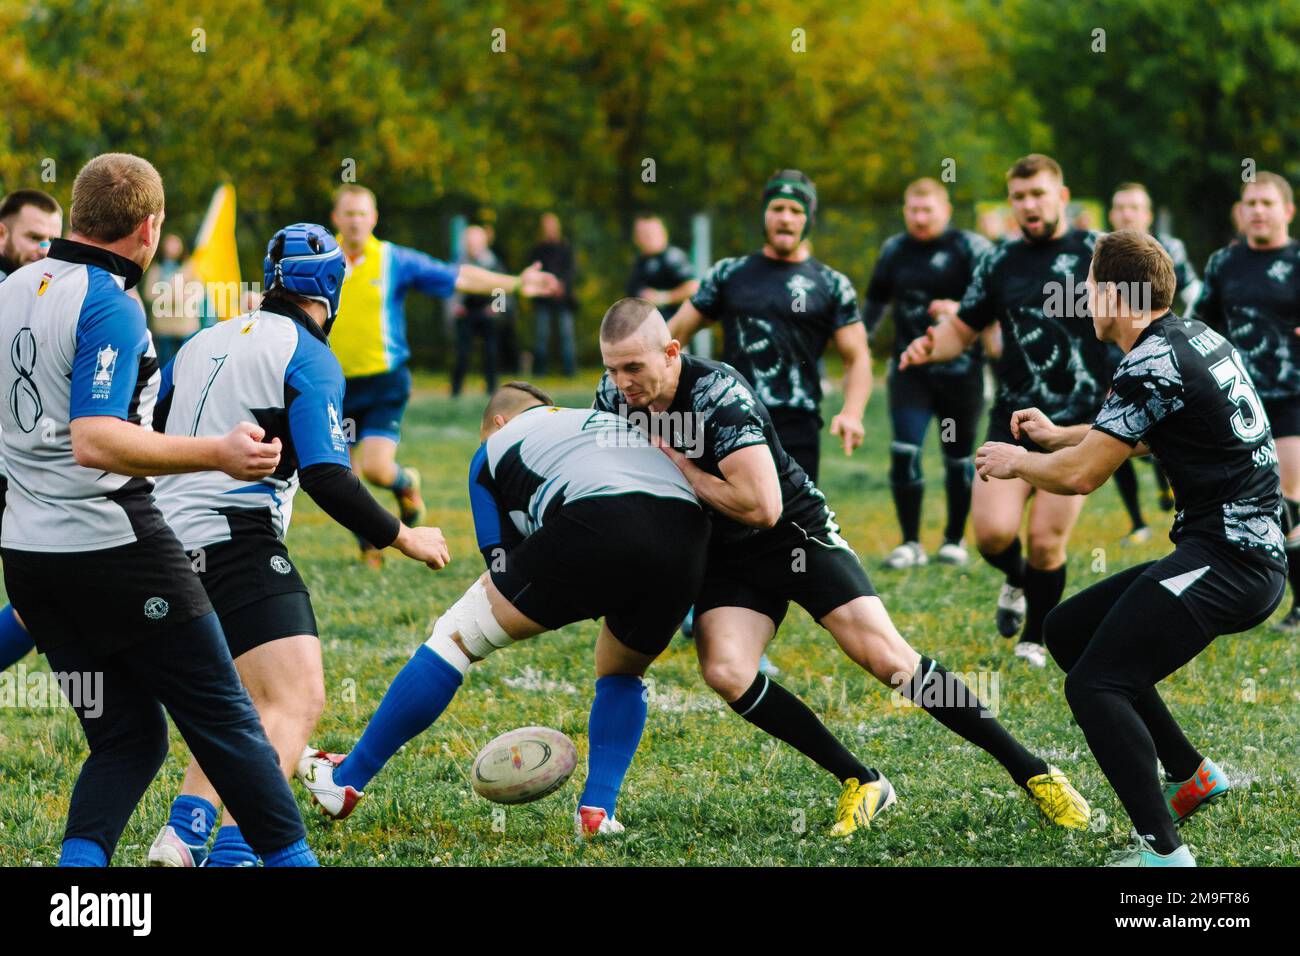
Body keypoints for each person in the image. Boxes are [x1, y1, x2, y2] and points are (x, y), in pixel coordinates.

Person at [598, 298, 1091, 836]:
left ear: (671, 352)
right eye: (612, 369)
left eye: (633, 367)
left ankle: (1035, 772)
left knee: (889, 660)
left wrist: (679, 465)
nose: (621, 382)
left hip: (792, 534)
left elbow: (762, 508)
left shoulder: (717, 394)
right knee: (725, 671)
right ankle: (862, 781)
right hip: (724, 556)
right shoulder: (614, 399)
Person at [0, 152, 315, 867]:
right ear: (150, 227)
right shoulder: (110, 304)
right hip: (116, 549)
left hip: (29, 561)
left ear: (76, 215)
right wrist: (219, 453)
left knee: (130, 739)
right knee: (229, 722)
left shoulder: (13, 287)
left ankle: (78, 891)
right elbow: (95, 440)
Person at [976, 230, 1286, 866]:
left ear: (1117, 294)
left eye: (1089, 287)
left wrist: (1018, 462)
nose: (1083, 299)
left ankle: (1165, 857)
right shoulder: (1188, 337)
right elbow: (1141, 433)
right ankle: (1190, 773)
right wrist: (1061, 435)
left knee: (1096, 685)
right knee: (1068, 630)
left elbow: (1084, 478)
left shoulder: (1149, 360)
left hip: (1234, 560)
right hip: (1230, 549)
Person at [146, 223, 450, 867]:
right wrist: (403, 536)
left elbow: (146, 433)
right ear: (331, 289)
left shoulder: (202, 339)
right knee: (295, 699)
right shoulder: (308, 355)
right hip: (236, 541)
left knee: (239, 704)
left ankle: (182, 834)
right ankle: (236, 851)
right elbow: (327, 475)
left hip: (163, 547)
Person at [297, 382, 711, 836]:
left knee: (456, 634)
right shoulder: (595, 423)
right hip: (689, 539)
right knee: (622, 670)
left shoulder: (494, 447)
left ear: (497, 423)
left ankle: (346, 780)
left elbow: (499, 558)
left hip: (602, 520)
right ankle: (597, 812)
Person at [901, 154, 1110, 668]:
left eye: (1038, 194)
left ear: (1061, 197)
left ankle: (1035, 637)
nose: (1029, 205)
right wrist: (932, 345)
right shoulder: (999, 261)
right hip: (1014, 420)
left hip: (1081, 423)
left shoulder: (1100, 254)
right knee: (993, 535)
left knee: (1045, 540)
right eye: (1019, 197)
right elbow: (963, 327)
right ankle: (1016, 580)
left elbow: (1142, 314)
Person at [329, 185, 559, 567]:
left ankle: (405, 483)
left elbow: (459, 277)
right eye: (348, 213)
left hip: (385, 382)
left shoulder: (392, 260)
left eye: (362, 213)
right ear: (336, 218)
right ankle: (371, 544)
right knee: (342, 478)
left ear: (374, 218)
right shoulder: (321, 258)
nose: (355, 221)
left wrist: (514, 282)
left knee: (374, 469)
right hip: (336, 384)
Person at [667, 170, 871, 485]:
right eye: (777, 209)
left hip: (798, 423)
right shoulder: (729, 274)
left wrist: (852, 412)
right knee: (730, 520)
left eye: (796, 211)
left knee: (795, 526)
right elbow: (673, 335)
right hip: (731, 415)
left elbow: (856, 356)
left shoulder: (831, 284)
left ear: (808, 220)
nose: (786, 218)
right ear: (764, 215)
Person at [862, 178, 992, 568]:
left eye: (927, 210)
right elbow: (874, 303)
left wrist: (958, 308)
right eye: (912, 210)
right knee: (904, 451)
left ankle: (954, 540)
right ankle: (910, 543)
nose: (919, 218)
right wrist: (859, 346)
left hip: (961, 372)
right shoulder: (895, 251)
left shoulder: (970, 248)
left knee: (958, 458)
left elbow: (992, 299)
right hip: (909, 372)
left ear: (946, 210)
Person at [1190, 172, 1300, 630]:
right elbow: (1201, 325)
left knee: (1287, 500)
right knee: (1256, 501)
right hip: (1239, 400)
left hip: (1293, 395)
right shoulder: (1224, 263)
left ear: (1287, 211)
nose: (1257, 210)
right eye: (1250, 202)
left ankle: (1290, 601)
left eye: (1267, 202)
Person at [1107, 183, 1202, 529]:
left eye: (1134, 207)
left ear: (1147, 214)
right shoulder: (1101, 251)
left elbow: (1194, 293)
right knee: (1111, 429)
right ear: (1111, 213)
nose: (1126, 213)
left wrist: (1182, 333)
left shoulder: (1170, 247)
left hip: (1163, 350)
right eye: (1119, 207)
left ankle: (1174, 495)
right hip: (1112, 359)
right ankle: (1137, 523)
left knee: (1165, 429)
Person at [0, 189, 61, 674]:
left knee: (50, 600)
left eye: (52, 239)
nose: (44, 248)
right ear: (3, 233)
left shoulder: (49, 295)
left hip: (25, 474)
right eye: (33, 237)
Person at [450, 225, 504, 396]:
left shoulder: (492, 262)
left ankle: (492, 389)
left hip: (487, 313)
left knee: (491, 351)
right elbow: (451, 288)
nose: (473, 246)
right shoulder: (459, 263)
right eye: (470, 243)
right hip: (466, 312)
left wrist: (496, 309)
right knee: (462, 353)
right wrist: (455, 307)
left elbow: (501, 286)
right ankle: (456, 390)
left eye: (476, 242)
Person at [528, 212, 578, 377]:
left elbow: (571, 271)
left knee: (566, 334)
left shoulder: (566, 248)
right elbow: (534, 271)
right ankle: (540, 371)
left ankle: (570, 371)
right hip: (543, 298)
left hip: (563, 298)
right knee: (541, 336)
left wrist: (561, 285)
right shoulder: (537, 249)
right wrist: (547, 286)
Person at [626, 213, 698, 319]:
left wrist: (663, 297)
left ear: (662, 233)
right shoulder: (640, 261)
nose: (643, 238)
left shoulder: (672, 257)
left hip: (670, 328)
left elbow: (693, 287)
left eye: (648, 234)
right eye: (640, 234)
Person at [141, 232, 196, 369]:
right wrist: (174, 294)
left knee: (185, 366)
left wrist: (166, 293)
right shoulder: (155, 269)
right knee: (165, 366)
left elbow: (196, 293)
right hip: (163, 328)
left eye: (176, 244)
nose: (173, 248)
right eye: (169, 244)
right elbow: (149, 294)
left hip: (185, 327)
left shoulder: (190, 268)